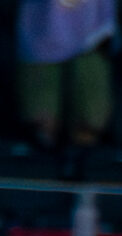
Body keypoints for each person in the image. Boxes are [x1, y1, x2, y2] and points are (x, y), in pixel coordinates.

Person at [16, 0, 114, 148]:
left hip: (92, 39)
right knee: (41, 123)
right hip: (40, 40)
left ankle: (80, 161)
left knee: (91, 122)